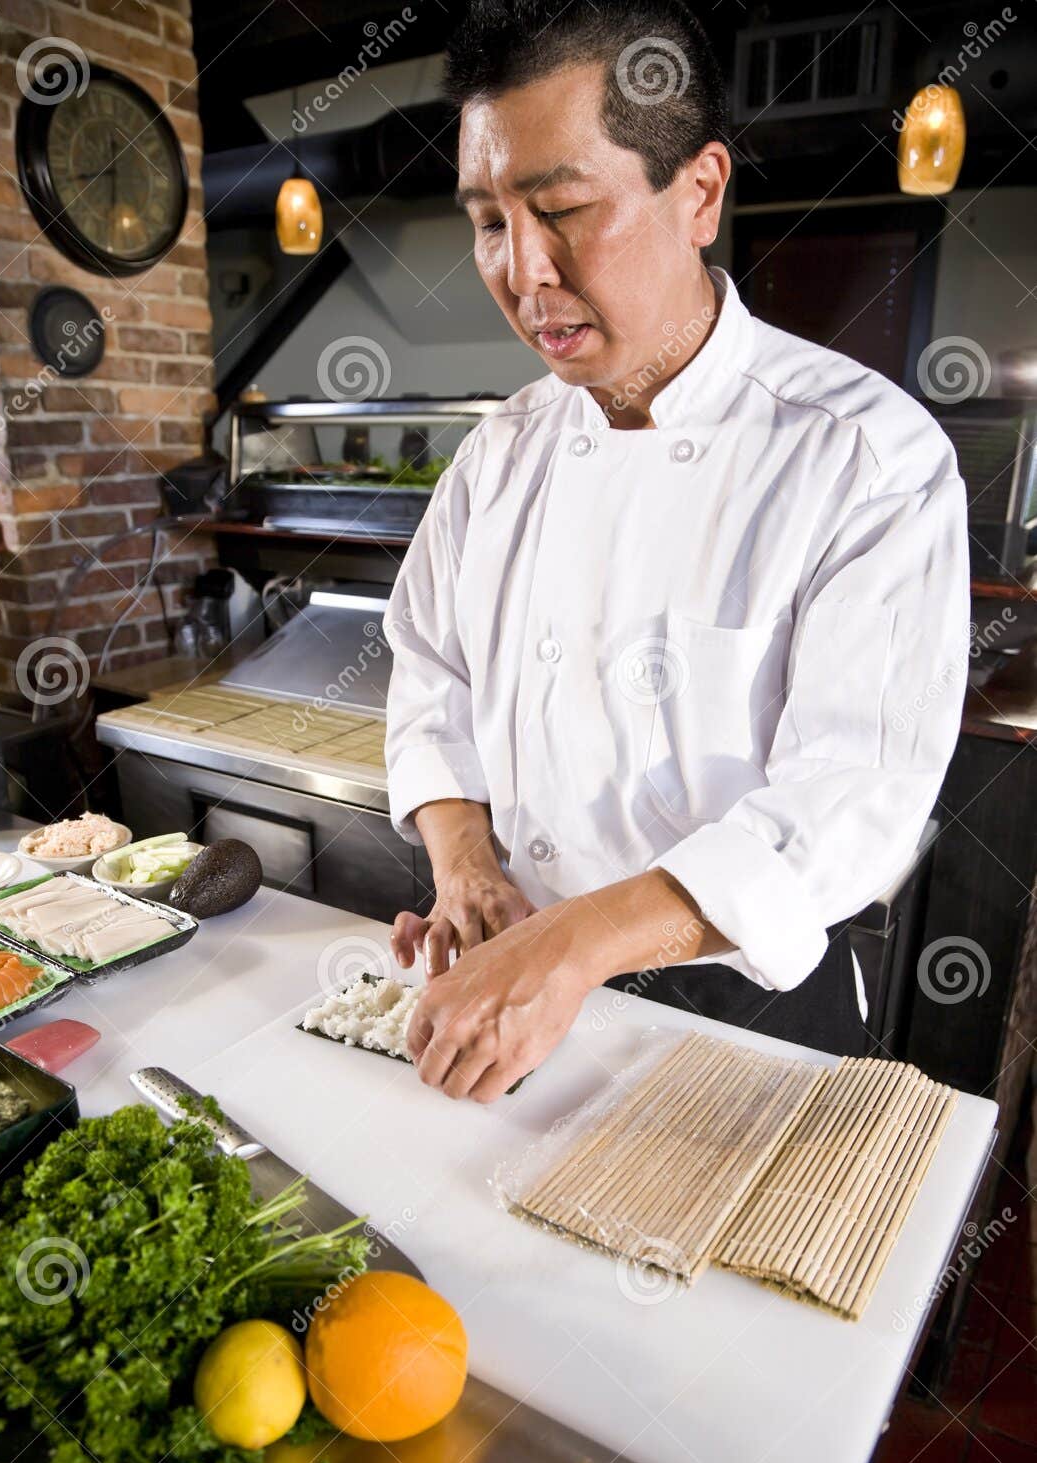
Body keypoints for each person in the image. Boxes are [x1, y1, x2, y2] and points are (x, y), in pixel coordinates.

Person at [383, 0, 970, 1101]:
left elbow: (851, 797)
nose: (521, 272)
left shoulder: (864, 458)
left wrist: (577, 945)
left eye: (559, 208)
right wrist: (462, 861)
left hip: (742, 1014)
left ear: (697, 193)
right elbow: (427, 671)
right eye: (487, 222)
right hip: (519, 981)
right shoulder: (497, 454)